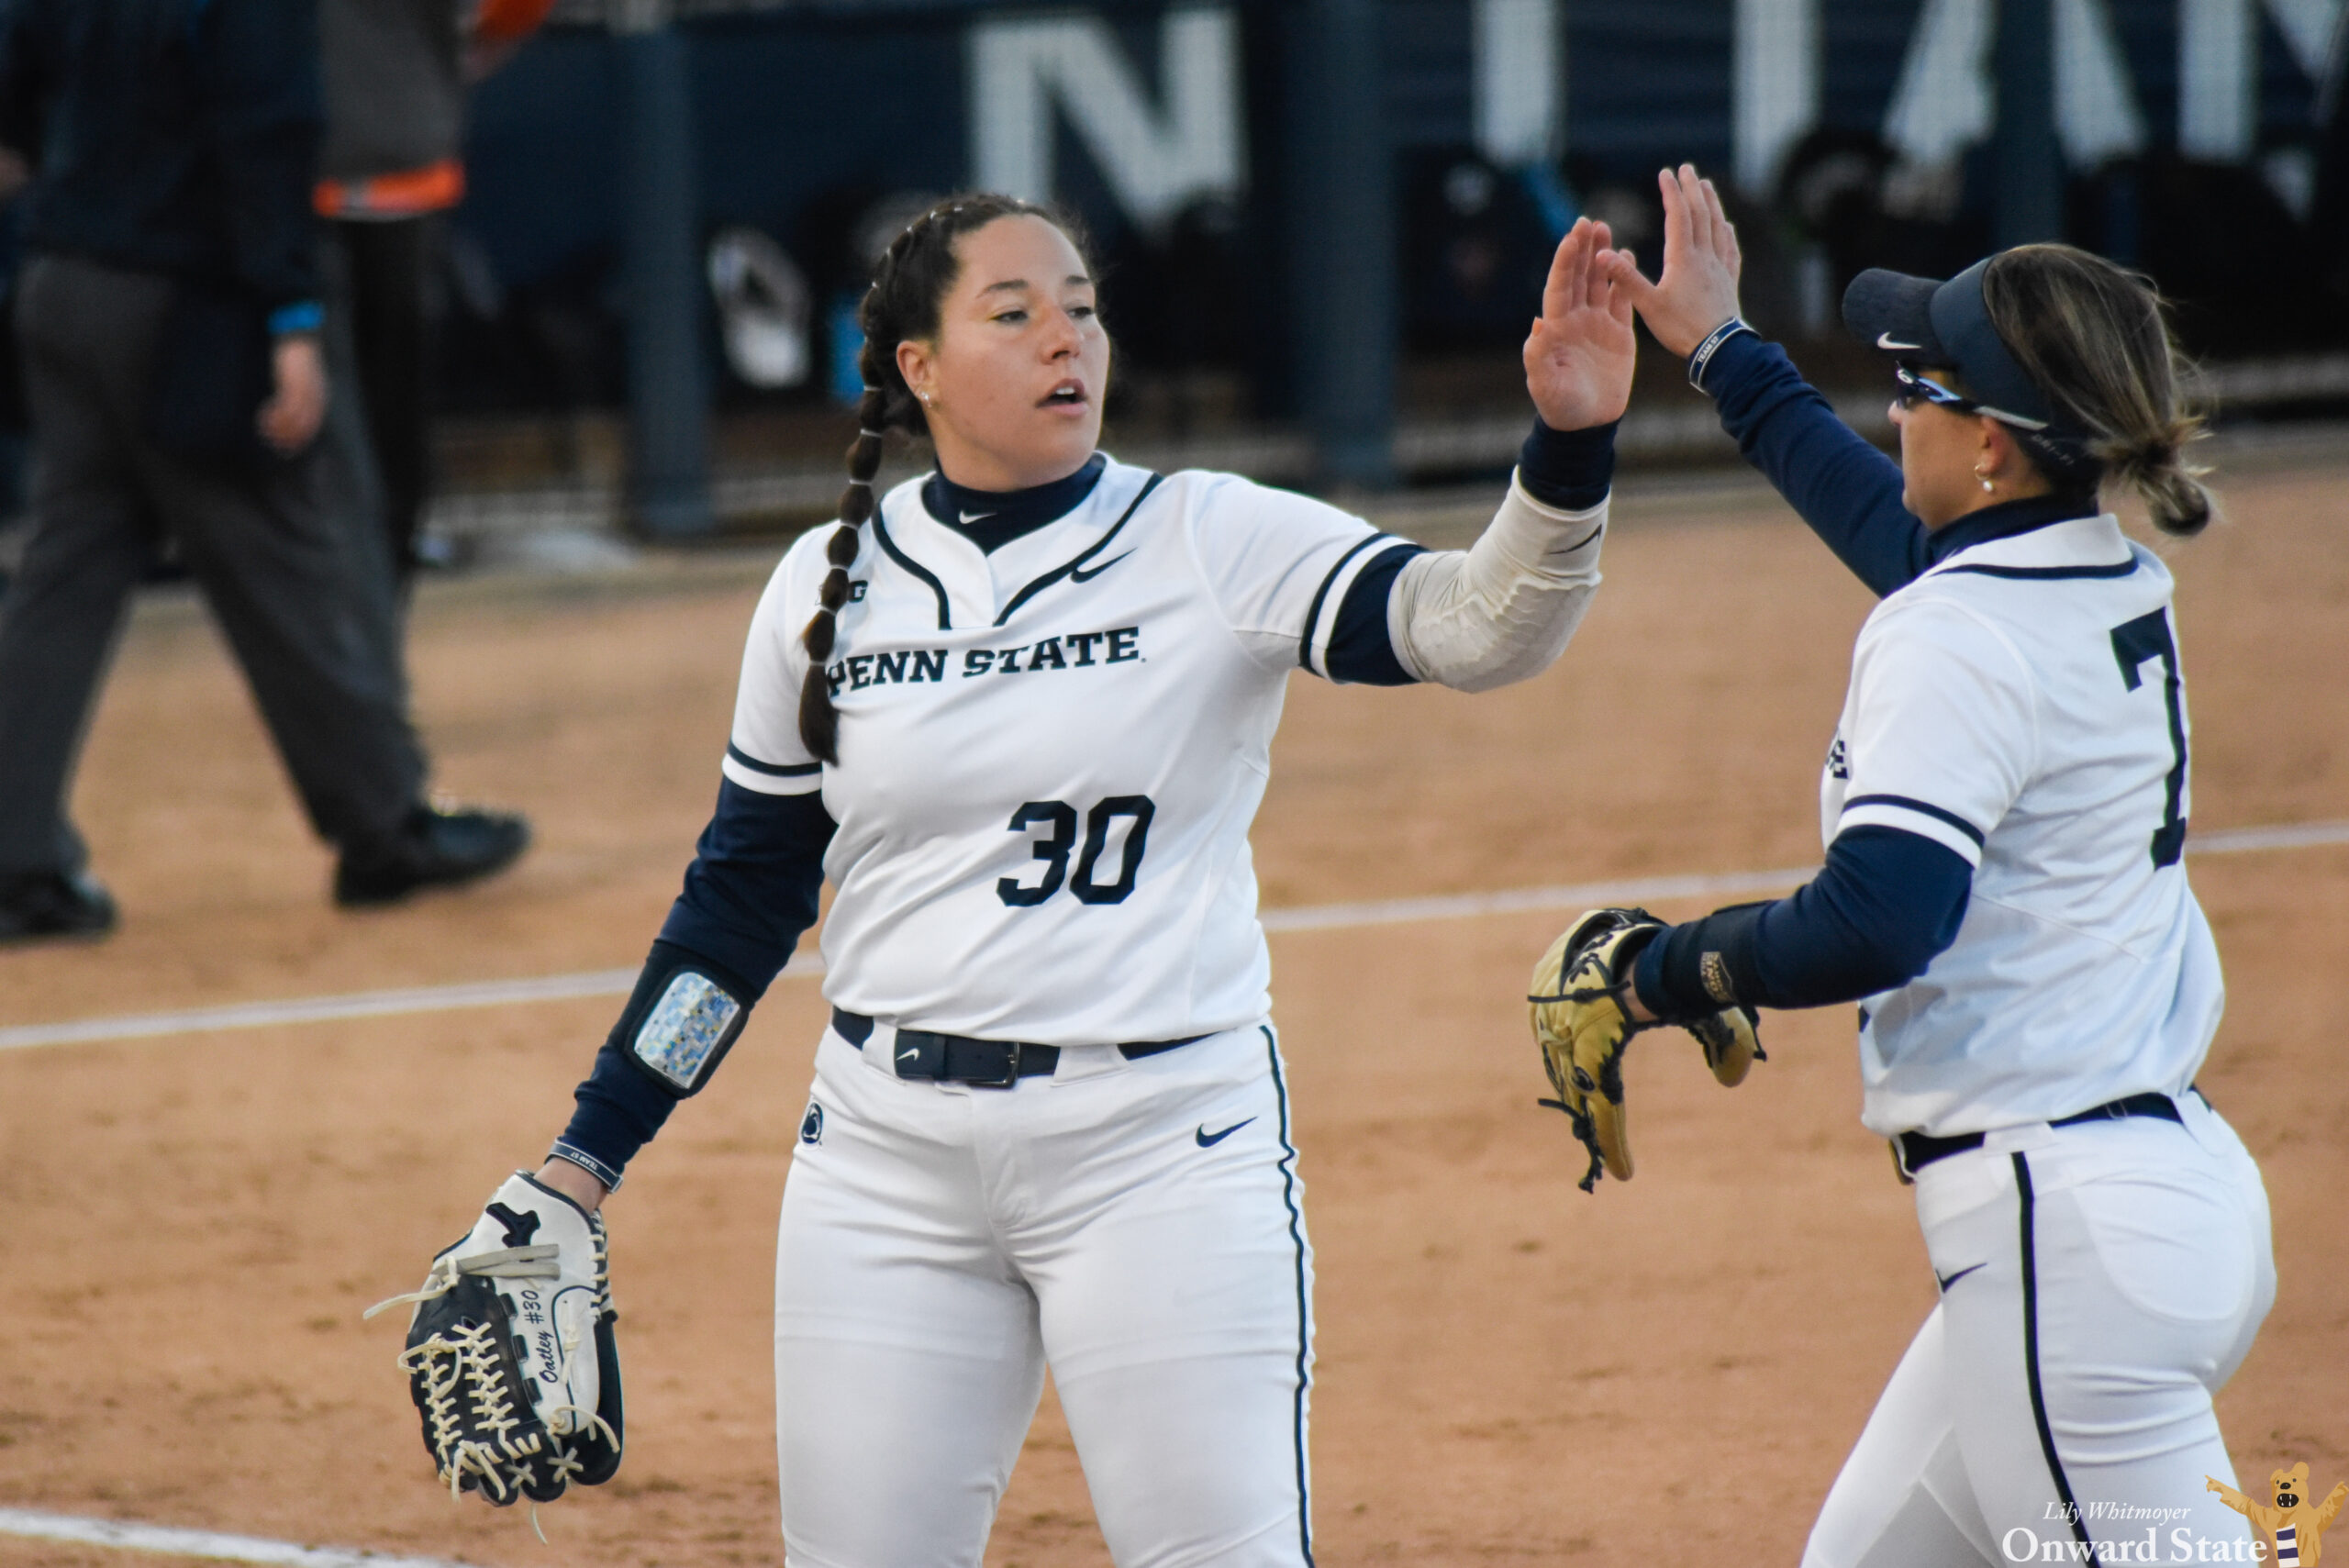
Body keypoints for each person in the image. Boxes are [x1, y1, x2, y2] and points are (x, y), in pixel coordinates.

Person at [424, 193, 1636, 1564]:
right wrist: (586, 1157)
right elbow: (740, 906)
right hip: (879, 1165)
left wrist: (1569, 445)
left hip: (1158, 1150)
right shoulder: (829, 585)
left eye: (1083, 308)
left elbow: (1476, 628)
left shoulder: (1209, 537)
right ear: (919, 368)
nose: (1068, 337)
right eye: (1014, 313)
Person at [1581, 166, 2274, 1564]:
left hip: (2063, 1248)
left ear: (1994, 447)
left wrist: (1660, 969)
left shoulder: (1955, 633)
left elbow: (1880, 919)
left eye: (1918, 387)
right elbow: (1907, 545)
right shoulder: (2100, 573)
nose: (1894, 408)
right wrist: (1724, 351)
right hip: (2146, 1205)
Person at [0, 0, 529, 942]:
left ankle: (14, 856)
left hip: (65, 279)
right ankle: (385, 828)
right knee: (290, 559)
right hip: (189, 299)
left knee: (65, 574)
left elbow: (14, 95)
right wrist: (291, 316)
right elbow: (270, 125)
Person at [315, 0, 554, 587]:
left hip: (371, 170)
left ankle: (373, 573)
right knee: (356, 401)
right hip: (341, 165)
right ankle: (371, 572)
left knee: (360, 401)